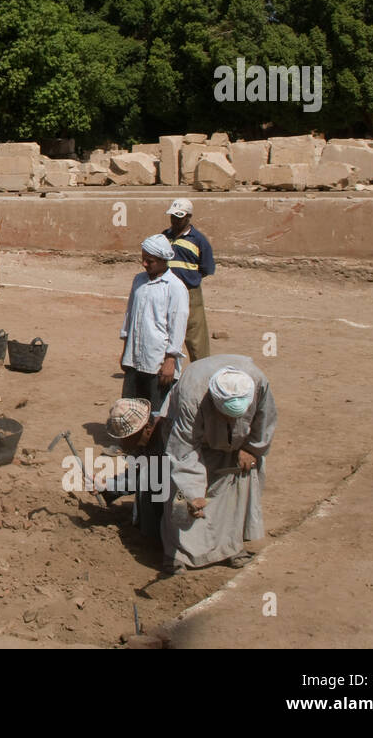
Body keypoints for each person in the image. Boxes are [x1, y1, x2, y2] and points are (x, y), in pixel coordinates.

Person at [160, 355, 277, 573]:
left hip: (236, 439)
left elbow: (266, 417)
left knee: (234, 487)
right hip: (190, 438)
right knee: (181, 491)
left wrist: (251, 448)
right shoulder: (192, 395)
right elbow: (183, 451)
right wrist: (193, 492)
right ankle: (176, 554)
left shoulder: (258, 382)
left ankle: (230, 547)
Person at [119, 234, 189, 412]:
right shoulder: (139, 280)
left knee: (157, 412)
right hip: (133, 357)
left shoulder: (175, 287)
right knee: (130, 409)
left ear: (163, 260)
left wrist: (170, 360)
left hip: (157, 361)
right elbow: (129, 315)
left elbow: (177, 326)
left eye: (149, 261)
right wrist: (125, 350)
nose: (144, 264)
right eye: (143, 259)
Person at [99, 397, 171, 544]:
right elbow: (134, 475)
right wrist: (108, 485)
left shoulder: (169, 441)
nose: (122, 443)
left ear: (147, 429)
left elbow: (184, 481)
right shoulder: (142, 442)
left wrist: (184, 505)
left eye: (126, 437)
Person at [163, 198, 216, 362]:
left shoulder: (198, 239)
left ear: (188, 217)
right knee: (164, 332)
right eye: (173, 216)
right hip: (166, 291)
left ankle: (202, 370)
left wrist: (189, 278)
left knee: (195, 336)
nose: (175, 220)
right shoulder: (164, 236)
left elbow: (207, 268)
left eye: (179, 217)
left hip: (190, 293)